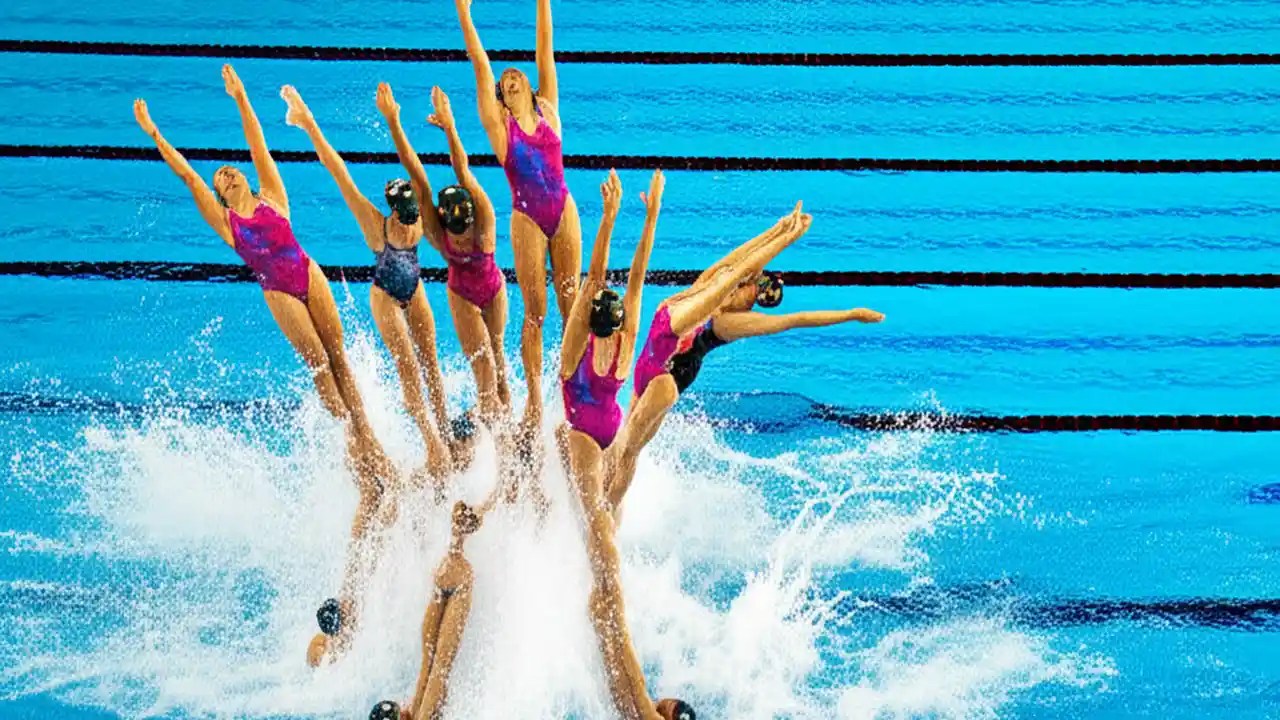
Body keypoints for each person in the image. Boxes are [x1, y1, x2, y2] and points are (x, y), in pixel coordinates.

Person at [132, 66, 395, 488]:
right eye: (220, 178)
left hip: (308, 274)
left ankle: (369, 437)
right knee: (319, 364)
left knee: (339, 355)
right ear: (220, 195)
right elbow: (189, 176)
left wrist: (240, 97)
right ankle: (352, 440)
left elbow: (258, 144)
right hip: (279, 292)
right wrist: (154, 133)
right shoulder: (227, 223)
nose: (227, 173)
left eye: (230, 170)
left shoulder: (272, 196)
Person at [280, 84, 455, 484]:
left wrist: (394, 120)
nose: (411, 223)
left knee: (431, 361)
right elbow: (339, 172)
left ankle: (443, 431)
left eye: (413, 216)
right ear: (394, 210)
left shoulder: (420, 211)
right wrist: (308, 123)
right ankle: (431, 443)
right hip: (386, 298)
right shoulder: (375, 224)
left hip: (415, 290)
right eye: (405, 216)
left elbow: (413, 163)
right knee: (408, 365)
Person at [606, 206, 814, 519]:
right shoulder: (705, 286)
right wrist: (780, 229)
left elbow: (746, 275)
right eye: (749, 286)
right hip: (653, 364)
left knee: (628, 447)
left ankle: (607, 513)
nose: (743, 290)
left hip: (672, 372)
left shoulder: (719, 317)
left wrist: (787, 237)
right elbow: (739, 260)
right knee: (625, 447)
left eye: (750, 293)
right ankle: (608, 509)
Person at [454, 0, 583, 430]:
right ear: (503, 102)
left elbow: (545, 45)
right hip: (527, 218)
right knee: (536, 313)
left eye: (516, 78)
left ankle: (573, 389)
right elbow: (480, 65)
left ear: (529, 87)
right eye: (505, 85)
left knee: (571, 303)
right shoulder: (501, 130)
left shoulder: (550, 110)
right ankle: (533, 400)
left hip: (563, 209)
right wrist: (465, 15)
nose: (510, 79)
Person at [380, 83, 511, 424]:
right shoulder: (438, 231)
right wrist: (394, 122)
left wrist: (451, 128)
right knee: (483, 366)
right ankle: (487, 426)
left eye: (465, 229)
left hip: (494, 289)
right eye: (458, 232)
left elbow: (462, 170)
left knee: (499, 363)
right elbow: (416, 175)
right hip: (462, 296)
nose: (464, 237)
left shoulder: (485, 217)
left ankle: (503, 427)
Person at [560, 431, 695, 720]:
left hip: (610, 629)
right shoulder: (642, 711)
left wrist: (616, 618)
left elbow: (633, 675)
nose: (665, 701)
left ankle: (595, 452)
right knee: (602, 526)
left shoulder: (648, 714)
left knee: (602, 526)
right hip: (607, 636)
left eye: (669, 705)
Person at [558, 169, 662, 508]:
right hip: (613, 432)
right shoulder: (626, 340)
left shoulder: (575, 352)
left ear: (589, 322)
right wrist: (652, 217)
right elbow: (637, 278)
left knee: (589, 514)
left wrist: (609, 216)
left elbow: (594, 280)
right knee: (608, 507)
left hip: (584, 434)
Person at [667, 271, 884, 394]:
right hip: (669, 356)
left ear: (752, 301)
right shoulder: (726, 300)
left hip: (679, 368)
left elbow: (796, 319)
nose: (739, 288)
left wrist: (852, 314)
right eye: (744, 284)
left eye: (748, 289)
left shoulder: (732, 322)